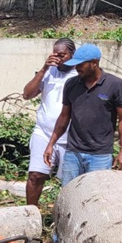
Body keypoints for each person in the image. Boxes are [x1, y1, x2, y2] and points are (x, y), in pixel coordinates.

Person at [43, 43, 122, 186]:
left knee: (97, 197)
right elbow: (64, 116)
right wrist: (51, 144)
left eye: (80, 64)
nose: (76, 68)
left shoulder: (115, 85)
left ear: (94, 63)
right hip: (73, 153)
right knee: (69, 193)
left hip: (100, 155)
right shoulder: (71, 84)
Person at [22, 38, 77, 206]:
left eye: (62, 55)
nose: (58, 59)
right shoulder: (48, 72)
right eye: (55, 55)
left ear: (72, 55)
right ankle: (31, 213)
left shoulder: (78, 74)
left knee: (69, 184)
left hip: (70, 136)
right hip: (44, 132)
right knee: (36, 175)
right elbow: (27, 94)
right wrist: (44, 69)